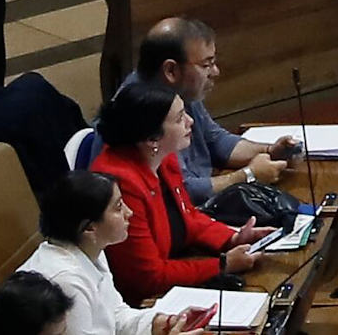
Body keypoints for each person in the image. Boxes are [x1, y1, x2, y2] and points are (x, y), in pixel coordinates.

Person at [85, 85, 236, 301]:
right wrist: (221, 265)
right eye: (179, 118)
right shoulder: (122, 185)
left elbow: (188, 216)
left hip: (175, 268)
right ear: (152, 138)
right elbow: (147, 278)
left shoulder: (163, 157)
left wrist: (233, 238)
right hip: (139, 301)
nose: (190, 121)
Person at [17, 160, 205, 335]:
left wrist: (159, 323)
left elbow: (115, 316)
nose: (129, 212)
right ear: (89, 227)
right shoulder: (66, 282)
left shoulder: (91, 248)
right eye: (118, 207)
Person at [125, 17, 290, 214]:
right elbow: (180, 190)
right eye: (206, 65)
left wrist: (271, 151)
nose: (215, 72)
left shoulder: (179, 90)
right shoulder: (140, 110)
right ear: (171, 70)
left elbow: (215, 140)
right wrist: (249, 175)